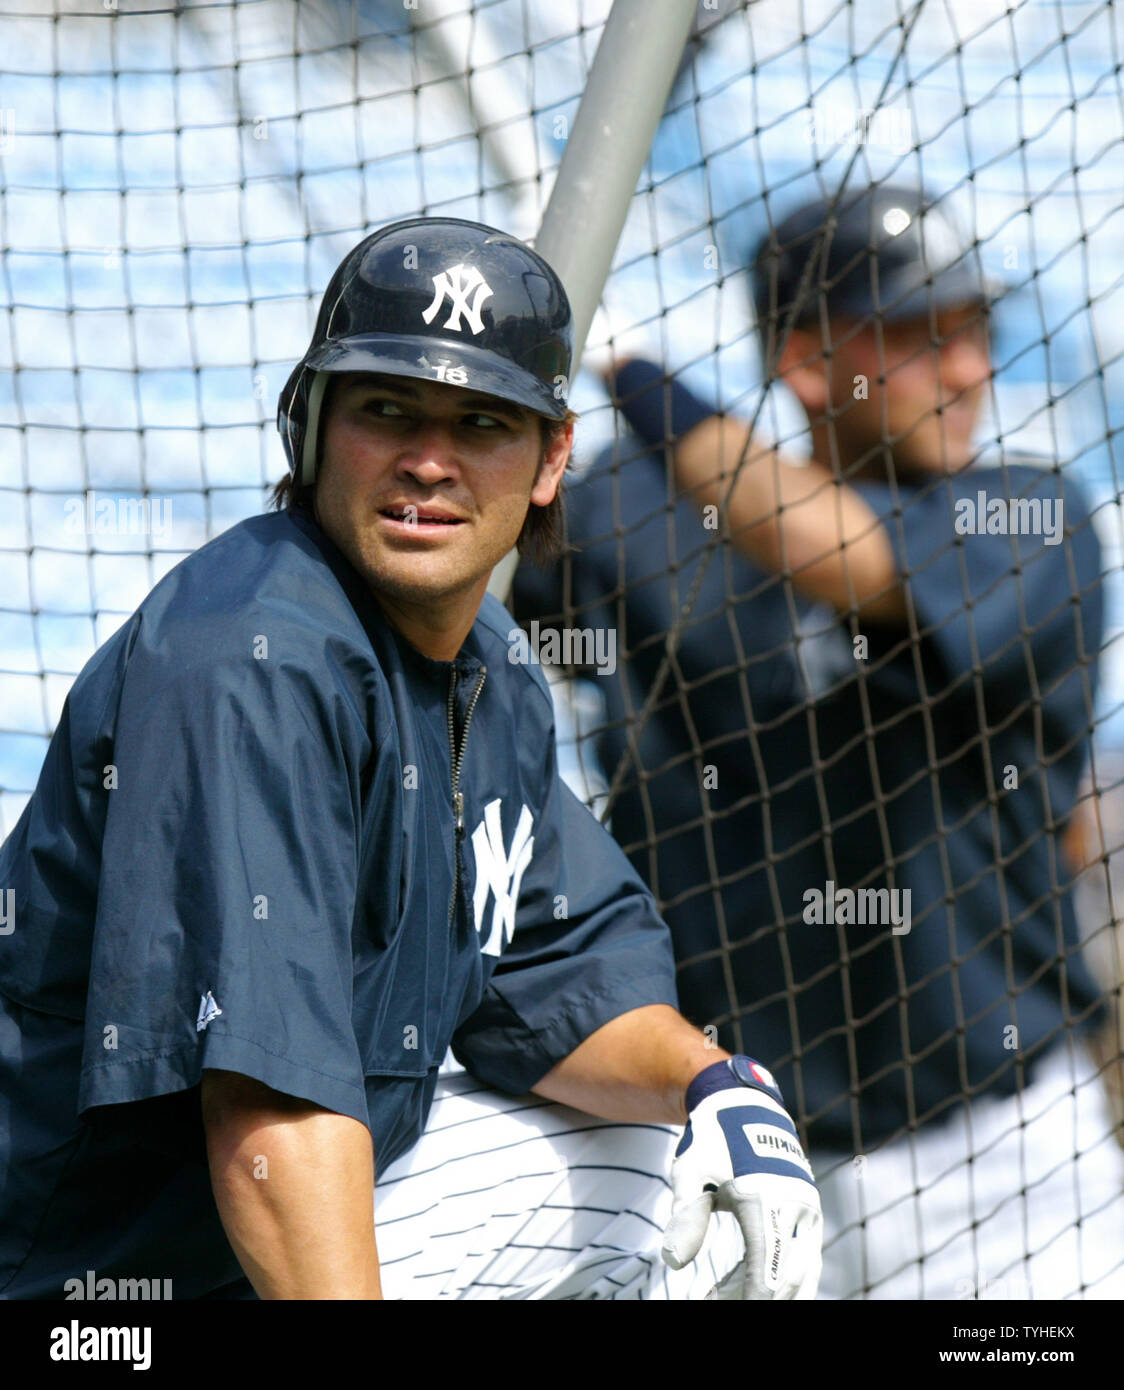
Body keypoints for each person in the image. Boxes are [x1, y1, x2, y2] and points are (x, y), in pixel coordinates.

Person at [0, 216, 821, 1301]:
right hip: (79, 1282)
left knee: (673, 1158)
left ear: (550, 457)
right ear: (309, 422)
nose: (428, 461)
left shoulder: (485, 659)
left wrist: (722, 1085)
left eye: (481, 422)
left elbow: (559, 977)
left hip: (214, 1240)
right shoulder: (247, 661)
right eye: (388, 409)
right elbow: (270, 1120)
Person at [513, 184, 1124, 1298]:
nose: (966, 371)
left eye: (975, 332)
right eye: (917, 338)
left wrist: (625, 368)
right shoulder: (624, 511)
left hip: (994, 1165)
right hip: (724, 1154)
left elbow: (821, 548)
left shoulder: (1029, 519)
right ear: (805, 363)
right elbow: (476, 606)